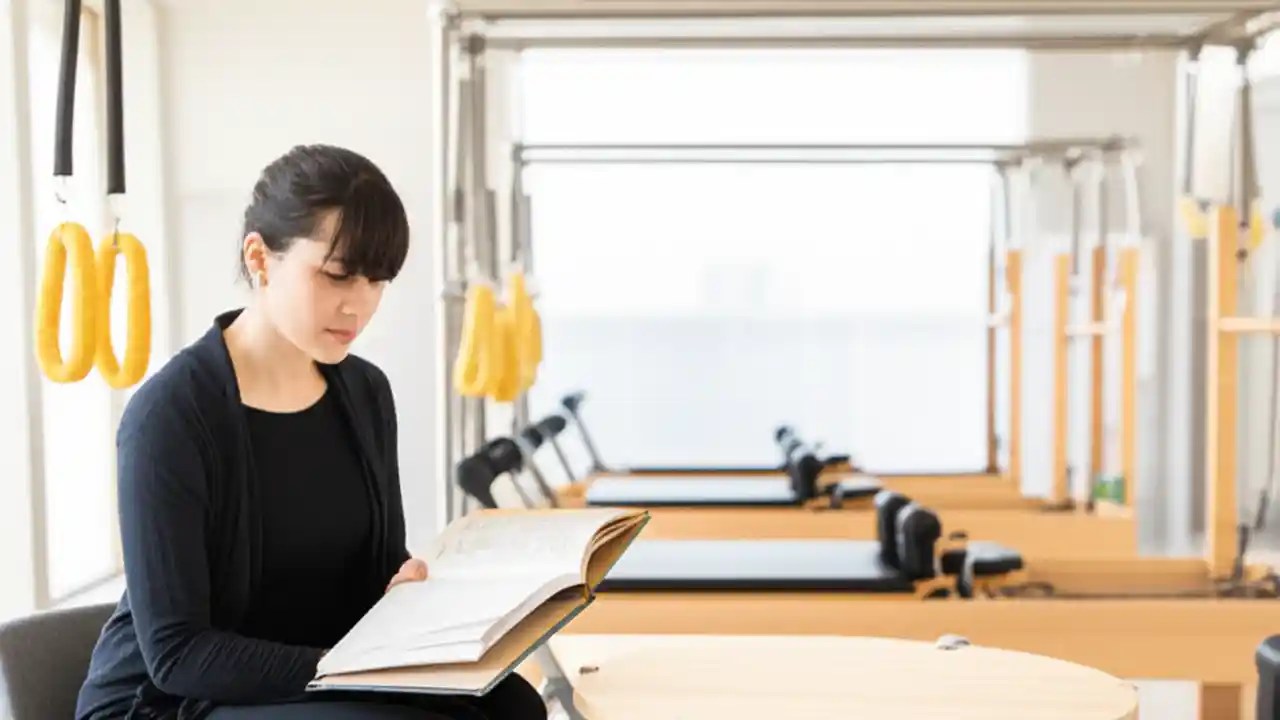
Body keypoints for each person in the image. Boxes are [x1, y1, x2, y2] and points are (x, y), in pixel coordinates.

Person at [75, 144, 547, 720]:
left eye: (378, 280)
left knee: (513, 706)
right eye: (337, 275)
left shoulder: (366, 393)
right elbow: (177, 654)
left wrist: (414, 600)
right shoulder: (171, 416)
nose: (360, 305)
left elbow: (373, 569)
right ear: (260, 258)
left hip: (316, 677)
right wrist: (353, 670)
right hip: (174, 701)